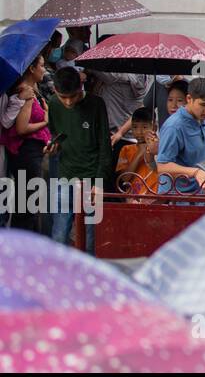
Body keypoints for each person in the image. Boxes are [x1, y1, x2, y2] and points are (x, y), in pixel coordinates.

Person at [45, 65, 113, 248]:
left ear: (80, 87)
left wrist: (99, 183)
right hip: (66, 176)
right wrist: (54, 147)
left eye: (72, 96)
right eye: (63, 97)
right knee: (59, 235)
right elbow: (56, 134)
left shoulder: (96, 104)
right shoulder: (53, 103)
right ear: (55, 91)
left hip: (92, 179)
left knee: (91, 239)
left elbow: (105, 147)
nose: (68, 102)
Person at [2, 56, 53, 231]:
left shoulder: (31, 91)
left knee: (30, 204)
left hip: (33, 152)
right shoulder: (26, 93)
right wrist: (45, 121)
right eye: (41, 66)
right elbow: (22, 128)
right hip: (27, 154)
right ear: (31, 69)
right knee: (27, 205)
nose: (44, 70)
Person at [156, 77, 205, 194]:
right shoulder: (174, 126)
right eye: (203, 104)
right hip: (176, 200)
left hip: (198, 195)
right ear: (189, 99)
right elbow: (162, 166)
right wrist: (195, 172)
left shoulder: (202, 118)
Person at [117, 107, 161, 194]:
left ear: (154, 128)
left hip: (156, 195)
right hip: (133, 198)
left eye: (144, 127)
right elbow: (125, 178)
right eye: (135, 127)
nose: (139, 132)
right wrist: (139, 155)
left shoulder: (160, 148)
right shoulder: (126, 150)